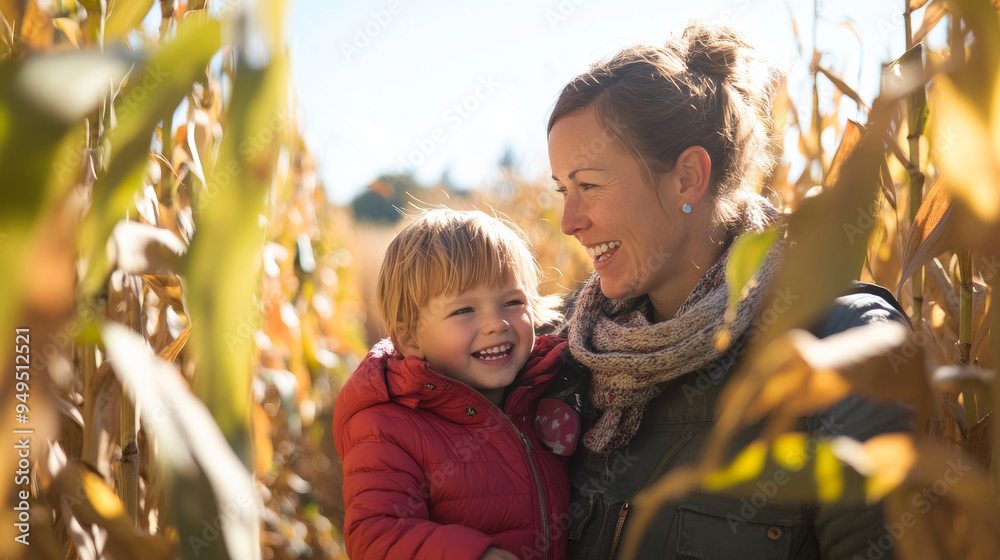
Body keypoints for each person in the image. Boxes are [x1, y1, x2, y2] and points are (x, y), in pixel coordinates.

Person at [545, 22, 912, 559]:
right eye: (561, 191)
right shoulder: (568, 353)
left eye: (589, 186)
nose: (568, 221)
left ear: (688, 177)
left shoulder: (842, 344)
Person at [333, 208, 573, 560]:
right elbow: (375, 535)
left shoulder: (547, 392)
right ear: (411, 337)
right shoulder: (387, 426)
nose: (496, 323)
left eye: (512, 302)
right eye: (464, 310)